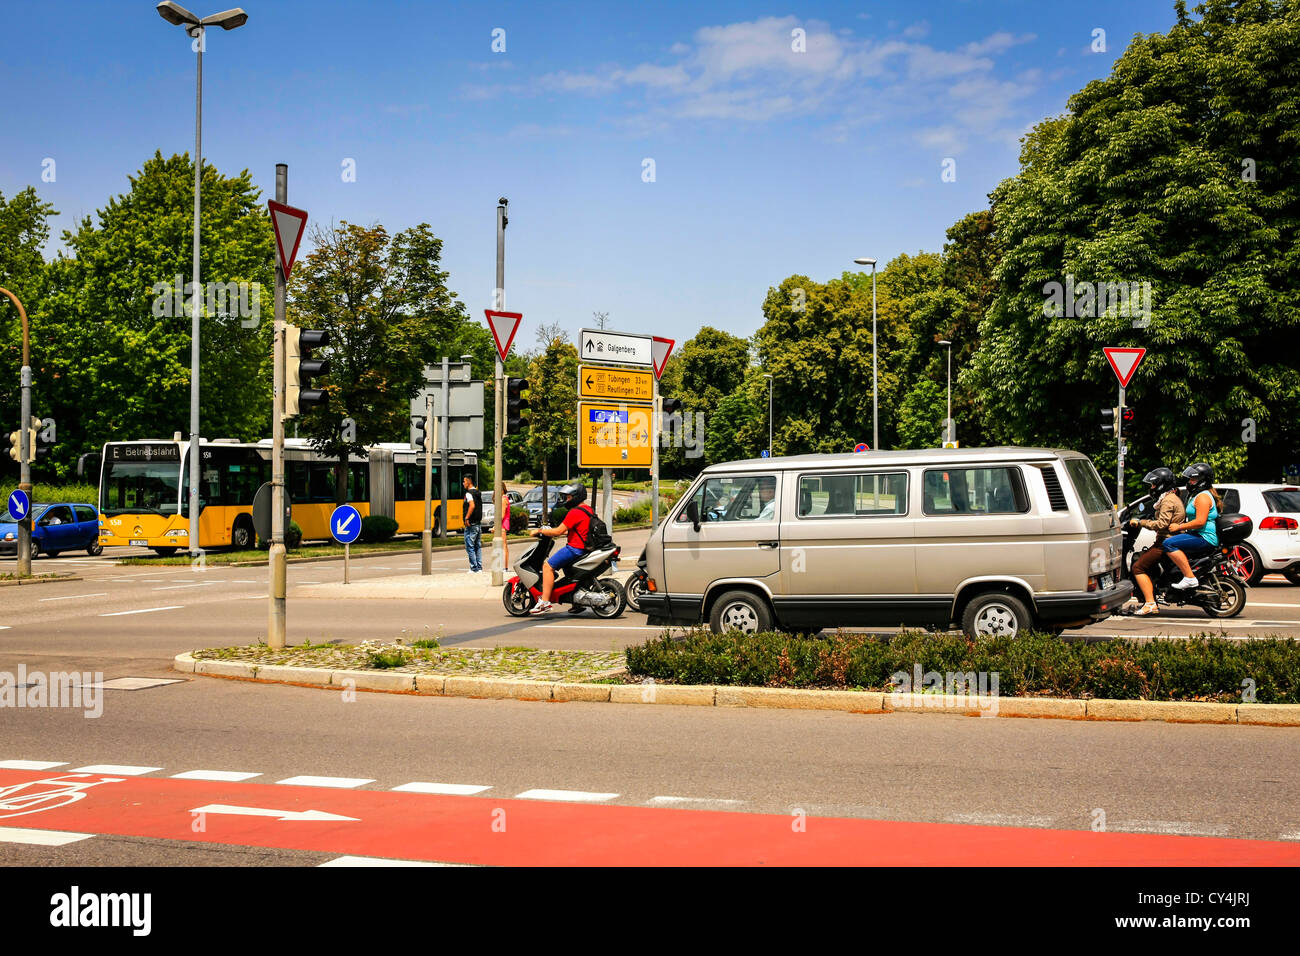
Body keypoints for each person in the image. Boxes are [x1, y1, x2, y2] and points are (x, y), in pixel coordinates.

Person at [1126, 467, 1183, 616]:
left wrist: (1141, 522)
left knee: (1138, 567)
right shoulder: (1169, 498)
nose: (1151, 488)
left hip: (1165, 541)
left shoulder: (1168, 501)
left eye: (1153, 485)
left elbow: (1162, 524)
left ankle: (1150, 603)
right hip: (1167, 539)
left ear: (1161, 484)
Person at [527, 482, 592, 614]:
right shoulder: (588, 510)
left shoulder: (574, 512)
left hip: (575, 549)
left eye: (568, 497)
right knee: (569, 573)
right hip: (585, 548)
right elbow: (579, 530)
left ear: (576, 497)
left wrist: (540, 531)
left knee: (547, 566)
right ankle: (577, 602)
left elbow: (558, 531)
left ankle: (544, 602)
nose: (567, 500)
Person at [1162, 462, 1221, 590]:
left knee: (1168, 544)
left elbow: (1200, 521)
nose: (1189, 482)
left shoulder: (1203, 497)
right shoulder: (1197, 495)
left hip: (1204, 537)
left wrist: (1179, 527)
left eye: (1193, 479)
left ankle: (1189, 578)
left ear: (1202, 481)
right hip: (1197, 534)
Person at [462, 474, 483, 573]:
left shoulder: (469, 493)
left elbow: (472, 506)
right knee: (477, 546)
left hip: (471, 524)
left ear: (469, 481)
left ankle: (473, 567)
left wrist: (466, 518)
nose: (463, 483)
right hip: (478, 523)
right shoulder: (478, 492)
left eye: (464, 481)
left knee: (470, 546)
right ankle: (479, 567)